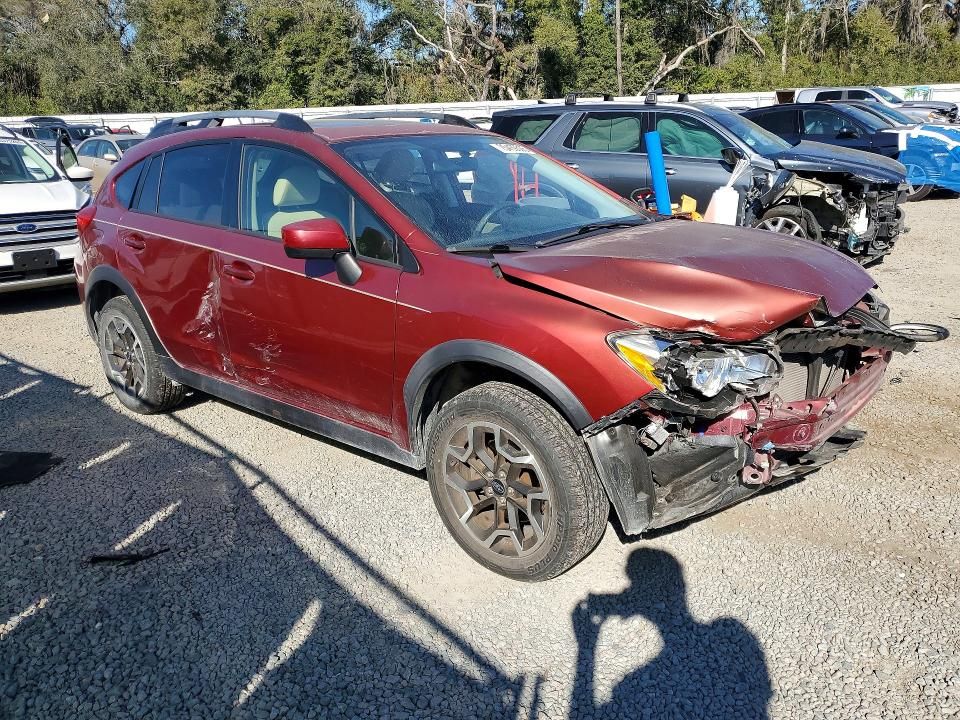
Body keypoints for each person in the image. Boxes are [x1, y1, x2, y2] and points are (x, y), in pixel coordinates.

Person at [571, 547, 772, 719]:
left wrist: (585, 648)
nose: (628, 591)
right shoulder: (734, 633)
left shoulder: (634, 681)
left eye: (632, 586)